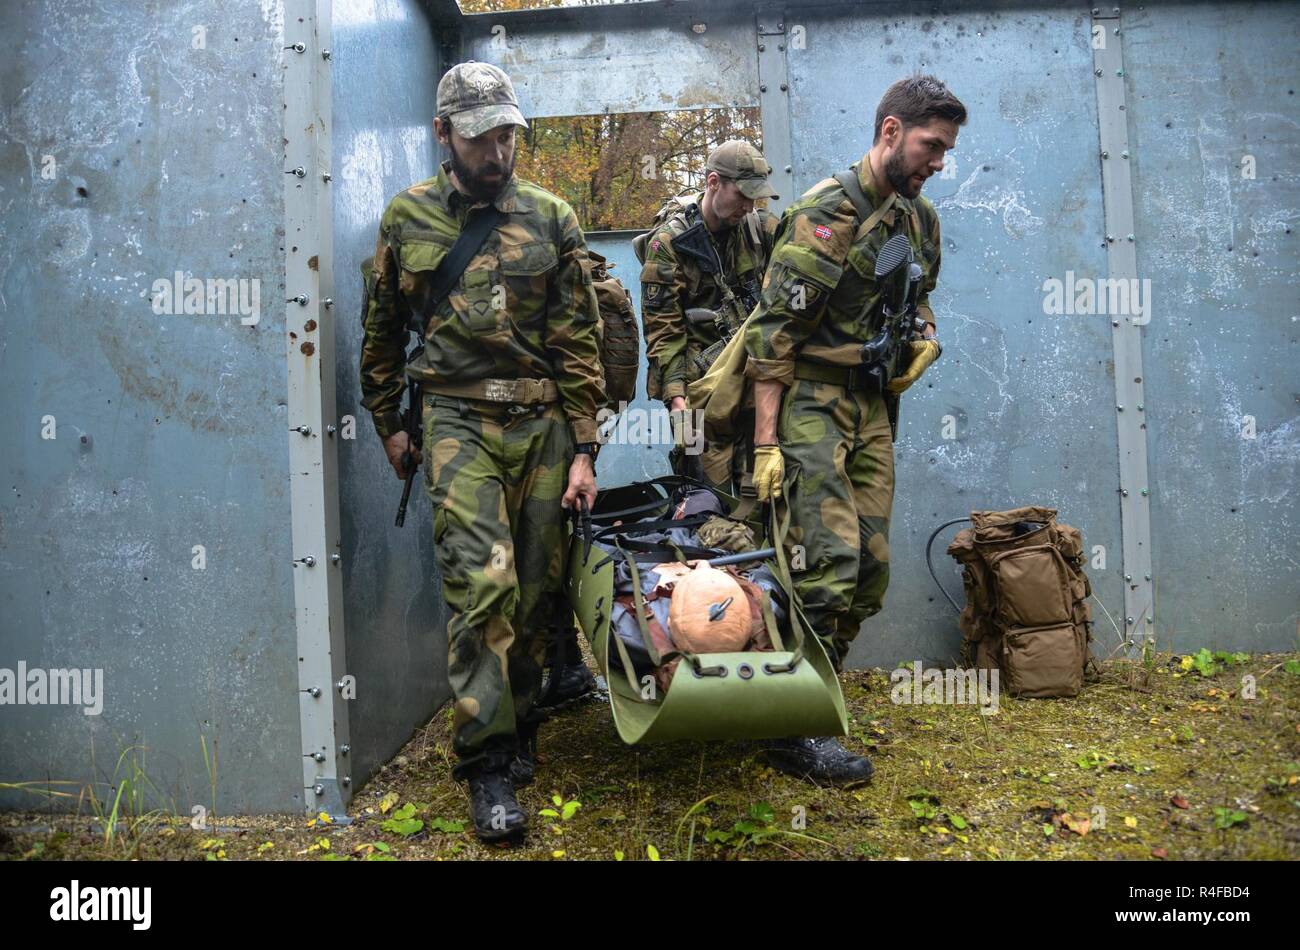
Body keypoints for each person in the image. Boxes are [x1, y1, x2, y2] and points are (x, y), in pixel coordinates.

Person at [359, 61, 606, 842]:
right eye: (480, 136)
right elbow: (379, 331)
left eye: (508, 132)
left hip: (541, 426)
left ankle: (520, 715)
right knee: (483, 583)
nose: (498, 149)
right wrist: (389, 423)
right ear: (443, 135)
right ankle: (487, 762)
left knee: (537, 587)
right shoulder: (407, 218)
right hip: (458, 422)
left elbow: (577, 342)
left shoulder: (552, 215)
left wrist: (585, 450)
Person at [744, 75, 967, 786]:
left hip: (871, 408)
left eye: (947, 150)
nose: (939, 161)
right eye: (932, 145)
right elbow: (773, 340)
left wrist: (923, 335)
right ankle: (789, 727)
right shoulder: (824, 215)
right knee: (825, 567)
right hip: (810, 402)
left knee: (869, 575)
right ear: (892, 131)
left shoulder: (919, 219)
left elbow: (920, 290)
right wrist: (768, 443)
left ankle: (811, 695)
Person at [638, 140, 779, 495]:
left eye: (755, 198)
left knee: (759, 492)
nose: (748, 206)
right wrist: (678, 403)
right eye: (742, 195)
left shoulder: (759, 229)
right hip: (701, 387)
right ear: (713, 182)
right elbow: (663, 331)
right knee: (708, 497)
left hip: (753, 379)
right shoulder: (669, 243)